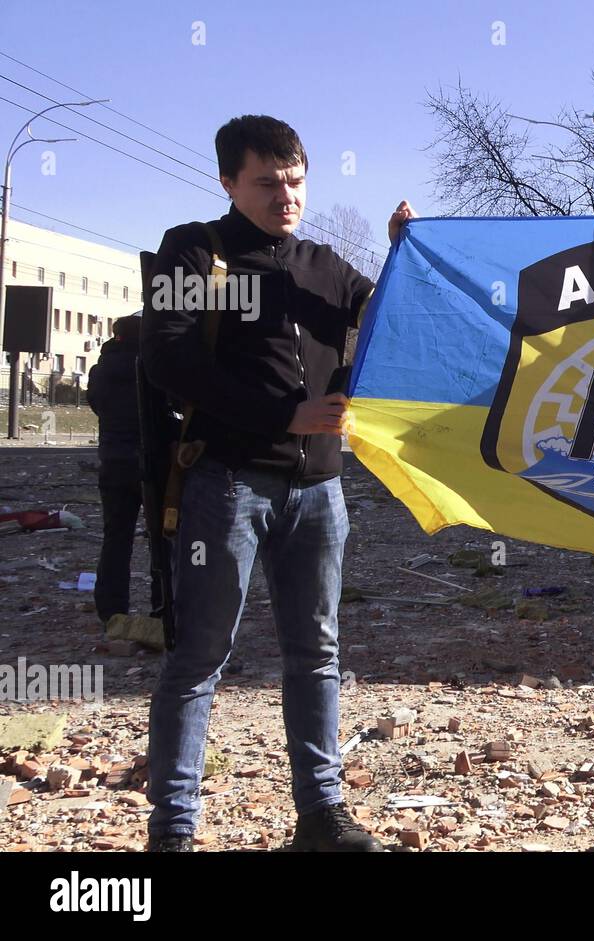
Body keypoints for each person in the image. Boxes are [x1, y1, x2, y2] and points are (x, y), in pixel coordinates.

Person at [141, 114, 415, 852]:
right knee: (199, 656)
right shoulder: (195, 252)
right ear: (228, 181)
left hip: (320, 493)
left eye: (295, 180)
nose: (284, 195)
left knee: (316, 652)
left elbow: (388, 316)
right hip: (226, 485)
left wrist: (405, 255)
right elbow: (168, 358)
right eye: (266, 182)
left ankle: (321, 814)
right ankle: (171, 832)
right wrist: (284, 414)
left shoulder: (324, 264)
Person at [87, 314, 163, 624]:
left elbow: (97, 406)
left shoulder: (99, 371)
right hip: (150, 462)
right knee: (161, 540)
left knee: (116, 538)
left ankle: (111, 610)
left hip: (113, 461)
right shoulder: (153, 366)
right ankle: (162, 606)